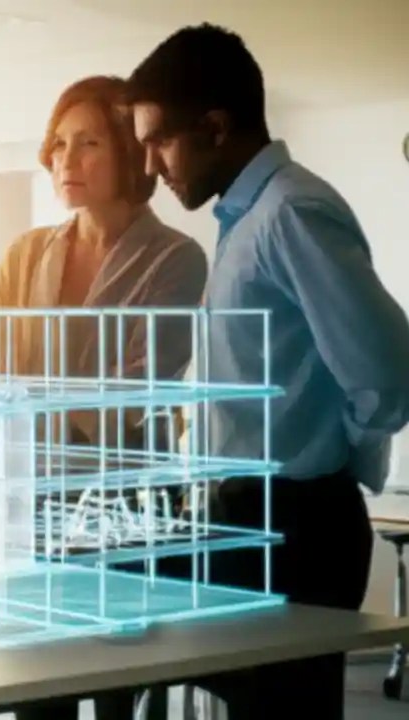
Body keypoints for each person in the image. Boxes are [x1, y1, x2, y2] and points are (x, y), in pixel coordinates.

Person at [124, 24, 409, 719]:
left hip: (296, 521)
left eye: (161, 141)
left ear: (216, 128)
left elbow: (386, 373)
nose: (153, 166)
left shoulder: (290, 212)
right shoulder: (245, 220)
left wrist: (325, 458)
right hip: (255, 515)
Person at [0, 75, 206, 720]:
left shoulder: (175, 258)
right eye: (59, 143)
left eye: (89, 143)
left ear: (130, 152)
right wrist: (46, 398)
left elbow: (136, 394)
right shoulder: (25, 253)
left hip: (120, 506)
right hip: (30, 507)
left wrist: (25, 393)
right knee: (35, 693)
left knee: (117, 691)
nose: (65, 160)